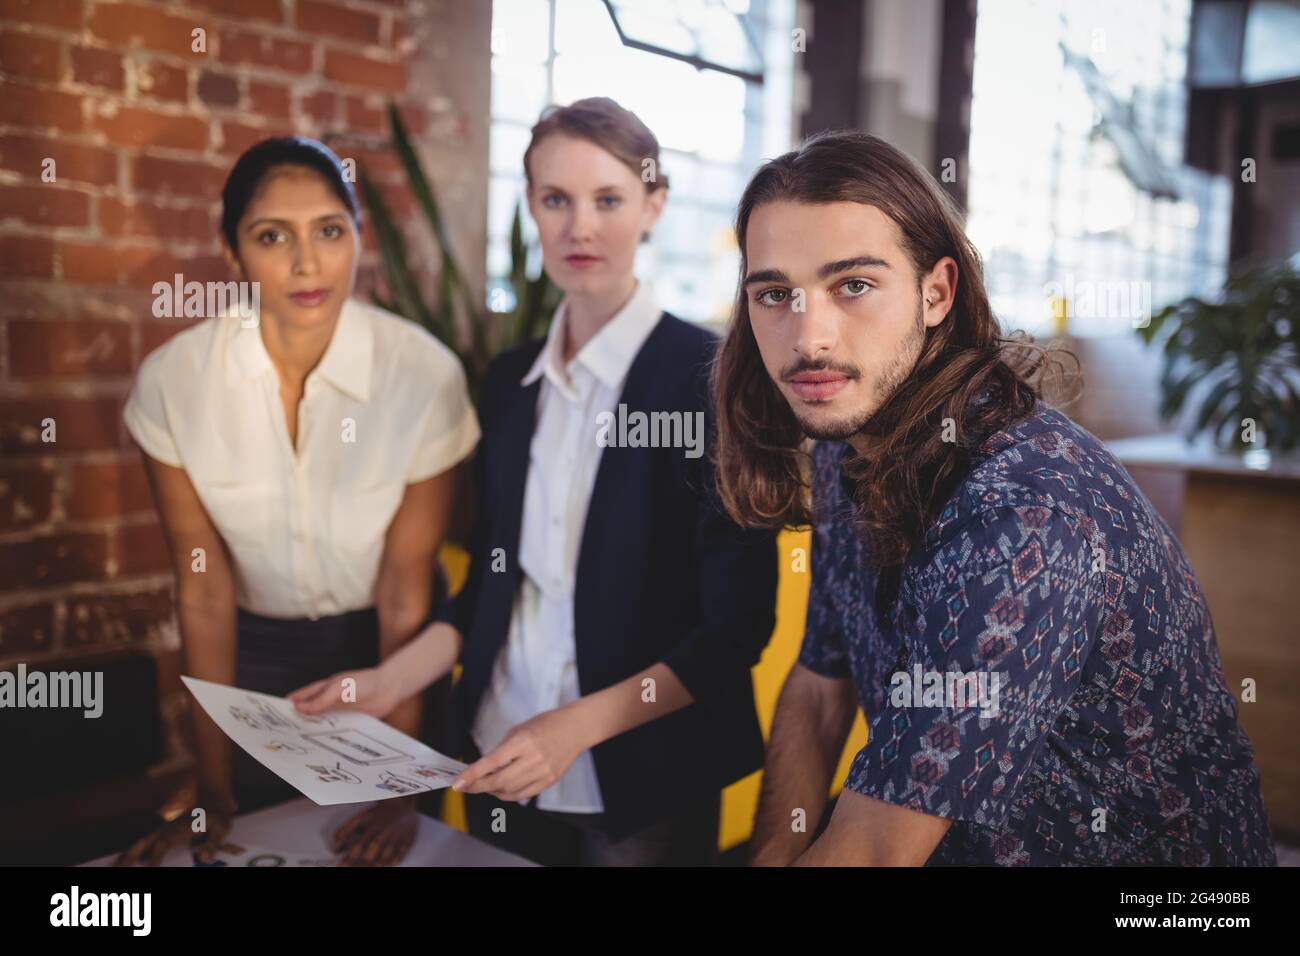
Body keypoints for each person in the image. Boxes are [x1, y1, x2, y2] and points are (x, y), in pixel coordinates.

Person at [713, 129, 1277, 866]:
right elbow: (821, 687)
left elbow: (878, 849)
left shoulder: (1023, 514)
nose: (807, 335)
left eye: (853, 285)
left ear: (936, 291)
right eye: (775, 293)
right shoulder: (842, 448)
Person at [292, 98, 778, 866]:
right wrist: (389, 681)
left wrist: (573, 729)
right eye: (556, 200)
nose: (580, 227)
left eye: (608, 200)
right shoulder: (507, 381)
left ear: (654, 206)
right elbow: (492, 579)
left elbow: (737, 628)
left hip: (641, 782)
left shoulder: (715, 383)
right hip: (497, 756)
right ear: (531, 207)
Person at [117, 137, 479, 866]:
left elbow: (405, 590)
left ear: (357, 238)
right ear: (231, 251)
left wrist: (397, 787)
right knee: (258, 841)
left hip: (387, 653)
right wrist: (212, 791)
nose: (306, 264)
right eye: (272, 236)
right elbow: (204, 590)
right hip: (251, 655)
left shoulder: (422, 374)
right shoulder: (174, 383)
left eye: (329, 231)